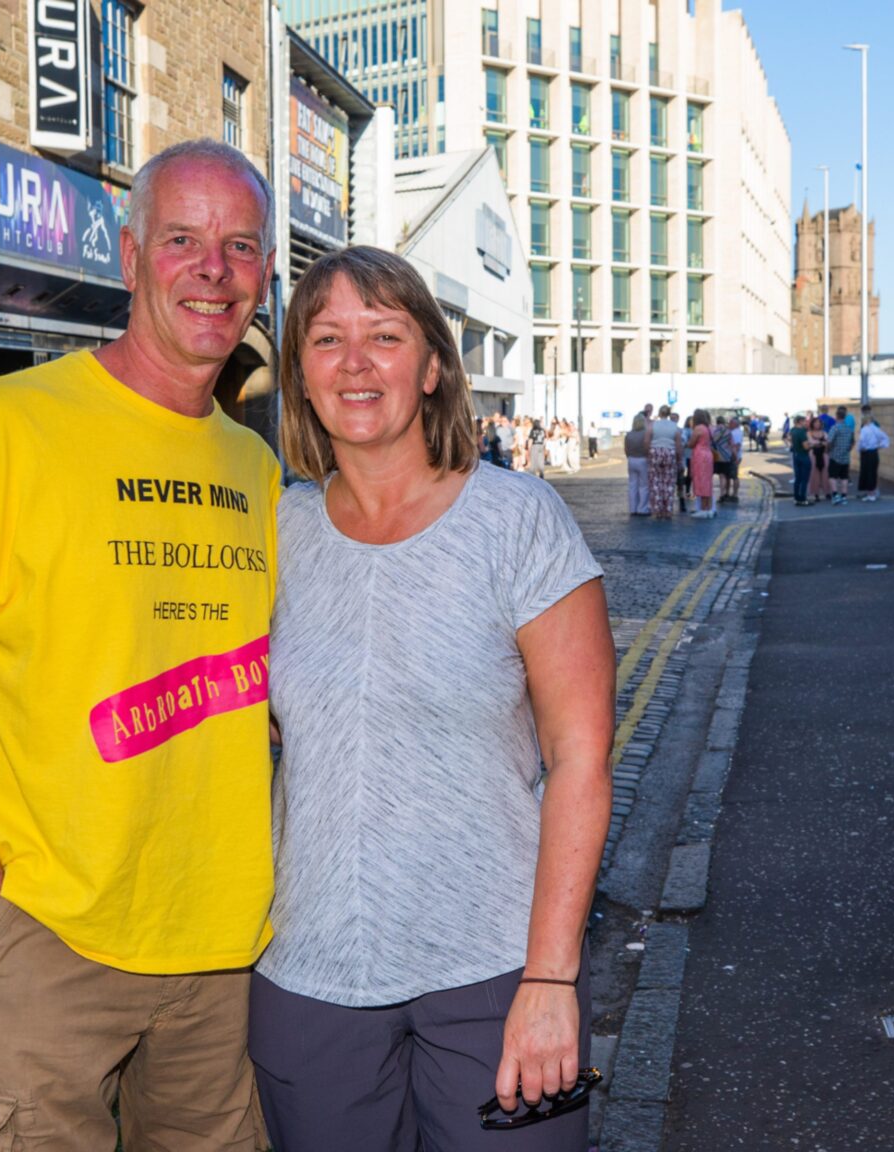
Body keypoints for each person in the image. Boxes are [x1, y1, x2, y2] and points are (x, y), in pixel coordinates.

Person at [0, 140, 280, 1150]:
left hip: (225, 954)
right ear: (130, 257)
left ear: (265, 273)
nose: (212, 269)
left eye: (239, 246)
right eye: (181, 240)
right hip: (47, 942)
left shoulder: (257, 468)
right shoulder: (2, 428)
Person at [255, 245, 615, 1148]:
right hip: (309, 982)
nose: (355, 362)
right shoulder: (277, 531)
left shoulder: (518, 520)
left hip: (494, 976)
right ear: (300, 374)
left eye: (384, 335)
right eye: (326, 339)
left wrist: (550, 979)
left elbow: (579, 758)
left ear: (431, 368)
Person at [649, 405, 683, 520]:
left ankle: (657, 511)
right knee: (669, 483)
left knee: (656, 482)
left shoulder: (653, 425)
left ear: (659, 413)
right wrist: (679, 460)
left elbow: (646, 440)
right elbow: (678, 445)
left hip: (655, 452)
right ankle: (668, 510)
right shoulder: (674, 427)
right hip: (670, 453)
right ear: (669, 414)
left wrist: (648, 455)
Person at [857, 408, 890, 501]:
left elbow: (861, 441)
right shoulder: (876, 428)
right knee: (872, 472)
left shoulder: (864, 429)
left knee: (867, 473)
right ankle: (872, 493)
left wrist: (860, 448)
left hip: (866, 453)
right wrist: (880, 446)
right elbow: (885, 438)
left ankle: (870, 494)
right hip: (874, 452)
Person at [688, 410, 717, 518]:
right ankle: (708, 508)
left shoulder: (698, 428)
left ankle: (703, 509)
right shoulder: (707, 428)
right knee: (707, 481)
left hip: (700, 455)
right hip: (708, 454)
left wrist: (686, 443)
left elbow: (691, 443)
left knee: (700, 480)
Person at [825, 407, 856, 505]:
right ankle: (844, 496)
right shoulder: (849, 429)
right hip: (845, 457)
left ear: (836, 416)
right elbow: (852, 442)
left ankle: (835, 495)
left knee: (832, 476)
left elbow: (829, 441)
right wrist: (848, 450)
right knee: (844, 478)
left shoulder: (835, 428)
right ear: (845, 417)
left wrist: (827, 450)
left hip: (835, 456)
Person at [624, 412, 651, 516]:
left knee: (632, 485)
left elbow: (626, 449)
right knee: (644, 485)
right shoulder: (645, 434)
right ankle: (642, 508)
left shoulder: (629, 434)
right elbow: (647, 447)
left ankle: (633, 508)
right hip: (643, 459)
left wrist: (629, 456)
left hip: (631, 459)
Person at [788, 412, 813, 507]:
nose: (806, 423)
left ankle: (796, 498)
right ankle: (803, 499)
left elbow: (789, 438)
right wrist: (812, 445)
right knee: (804, 479)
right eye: (804, 421)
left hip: (796, 455)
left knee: (797, 478)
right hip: (803, 456)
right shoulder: (801, 432)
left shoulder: (793, 430)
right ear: (800, 422)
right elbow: (806, 447)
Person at [807, 415, 831, 504]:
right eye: (815, 423)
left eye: (819, 423)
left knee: (826, 473)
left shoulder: (824, 433)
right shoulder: (809, 433)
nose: (817, 424)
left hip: (824, 454)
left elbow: (828, 443)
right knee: (814, 474)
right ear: (812, 424)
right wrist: (820, 443)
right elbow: (810, 443)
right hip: (813, 455)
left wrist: (821, 444)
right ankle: (815, 493)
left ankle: (827, 492)